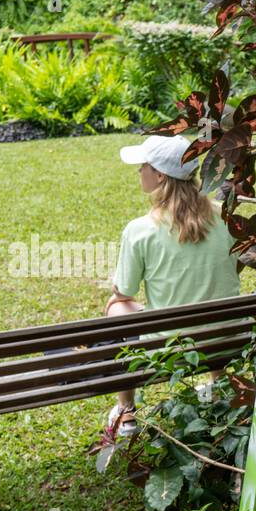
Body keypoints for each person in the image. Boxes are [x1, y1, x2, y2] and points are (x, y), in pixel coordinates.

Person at [104, 135, 240, 438]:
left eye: (144, 166)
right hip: (226, 342)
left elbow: (123, 291)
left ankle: (127, 412)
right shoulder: (224, 216)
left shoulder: (140, 230)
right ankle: (216, 386)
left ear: (160, 175)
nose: (139, 171)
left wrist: (118, 298)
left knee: (117, 309)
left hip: (168, 349)